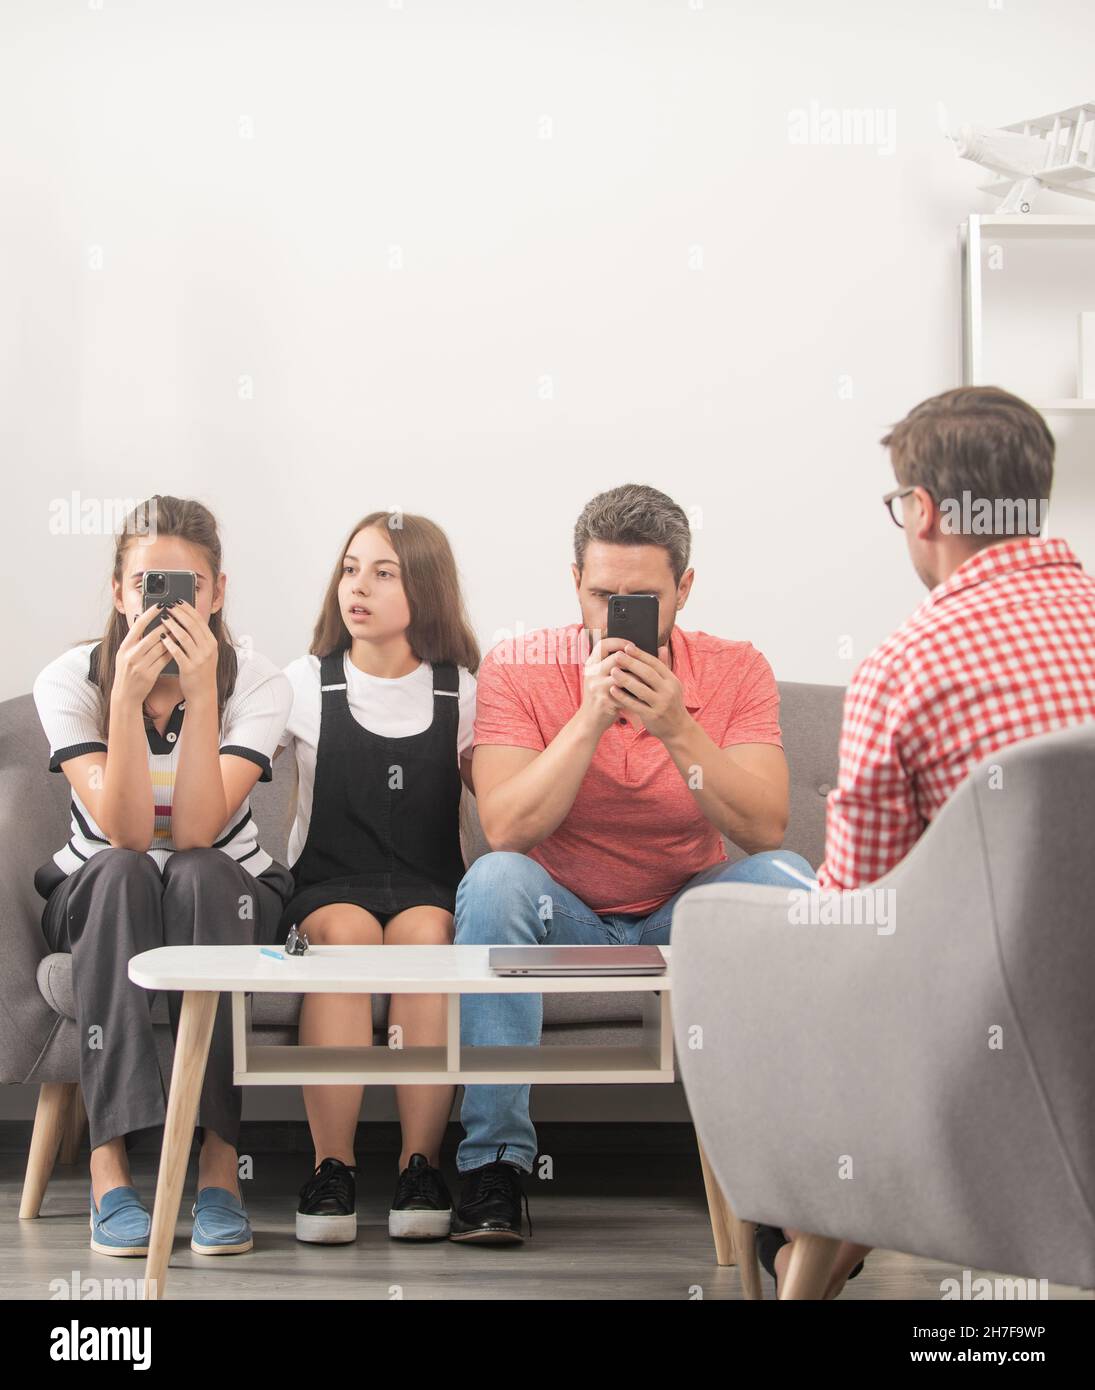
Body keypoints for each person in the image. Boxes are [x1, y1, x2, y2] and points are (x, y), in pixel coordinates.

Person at [761, 385, 1095, 1298]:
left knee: (822, 1004)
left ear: (927, 511)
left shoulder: (907, 664)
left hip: (996, 1044)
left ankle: (816, 1246)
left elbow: (851, 912)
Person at [449, 483, 813, 1242]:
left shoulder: (736, 668)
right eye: (599, 594)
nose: (614, 614)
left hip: (684, 907)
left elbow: (765, 828)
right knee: (492, 883)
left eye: (639, 597)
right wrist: (588, 718)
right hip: (561, 908)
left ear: (683, 588)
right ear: (573, 584)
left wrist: (676, 727)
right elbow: (505, 829)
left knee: (792, 884)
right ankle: (493, 1166)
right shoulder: (518, 666)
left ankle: (781, 1173)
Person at [33, 495, 293, 1257]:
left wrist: (203, 693)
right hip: (99, 889)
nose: (166, 604)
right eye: (147, 584)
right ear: (119, 593)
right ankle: (108, 1166)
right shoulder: (68, 680)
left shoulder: (258, 683)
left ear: (215, 595)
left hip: (224, 886)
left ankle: (218, 1166)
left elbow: (193, 833)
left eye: (186, 588)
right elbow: (124, 831)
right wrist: (122, 700)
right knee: (121, 872)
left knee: (200, 874)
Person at [275, 512, 478, 1243]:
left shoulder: (461, 691)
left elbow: (511, 805)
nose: (356, 586)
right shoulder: (302, 683)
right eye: (350, 568)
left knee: (429, 934)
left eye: (382, 572)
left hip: (428, 885)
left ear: (424, 591)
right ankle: (333, 1168)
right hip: (329, 887)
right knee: (349, 936)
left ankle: (418, 1165)